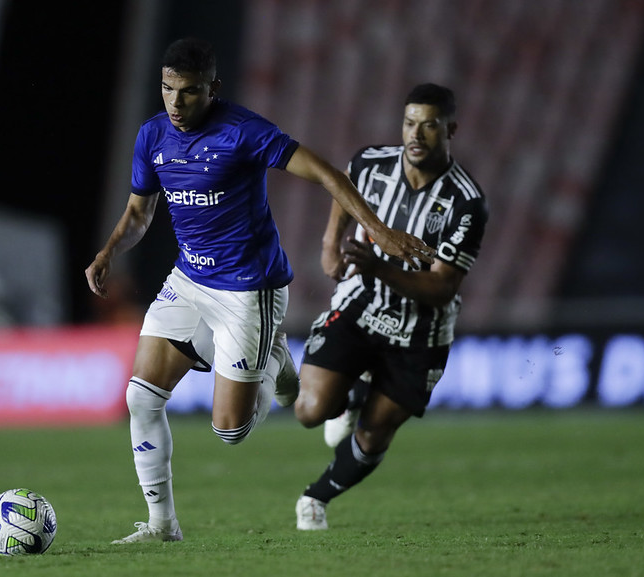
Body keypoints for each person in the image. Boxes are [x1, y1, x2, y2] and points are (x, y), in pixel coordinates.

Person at [84, 38, 436, 543]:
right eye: (167, 89)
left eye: (189, 91)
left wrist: (378, 233)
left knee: (230, 431)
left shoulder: (244, 132)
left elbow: (328, 174)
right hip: (188, 281)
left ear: (213, 88)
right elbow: (140, 213)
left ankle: (272, 356)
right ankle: (162, 526)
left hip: (249, 291)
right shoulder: (153, 135)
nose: (176, 103)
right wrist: (109, 252)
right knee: (141, 398)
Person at [293, 83, 488, 530]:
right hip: (362, 305)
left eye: (429, 125)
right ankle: (349, 396)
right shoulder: (370, 163)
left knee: (375, 432)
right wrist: (329, 244)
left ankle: (315, 498)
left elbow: (441, 288)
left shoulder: (466, 203)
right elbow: (343, 189)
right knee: (309, 411)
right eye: (409, 123)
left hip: (421, 330)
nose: (416, 134)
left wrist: (378, 266)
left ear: (450, 130)